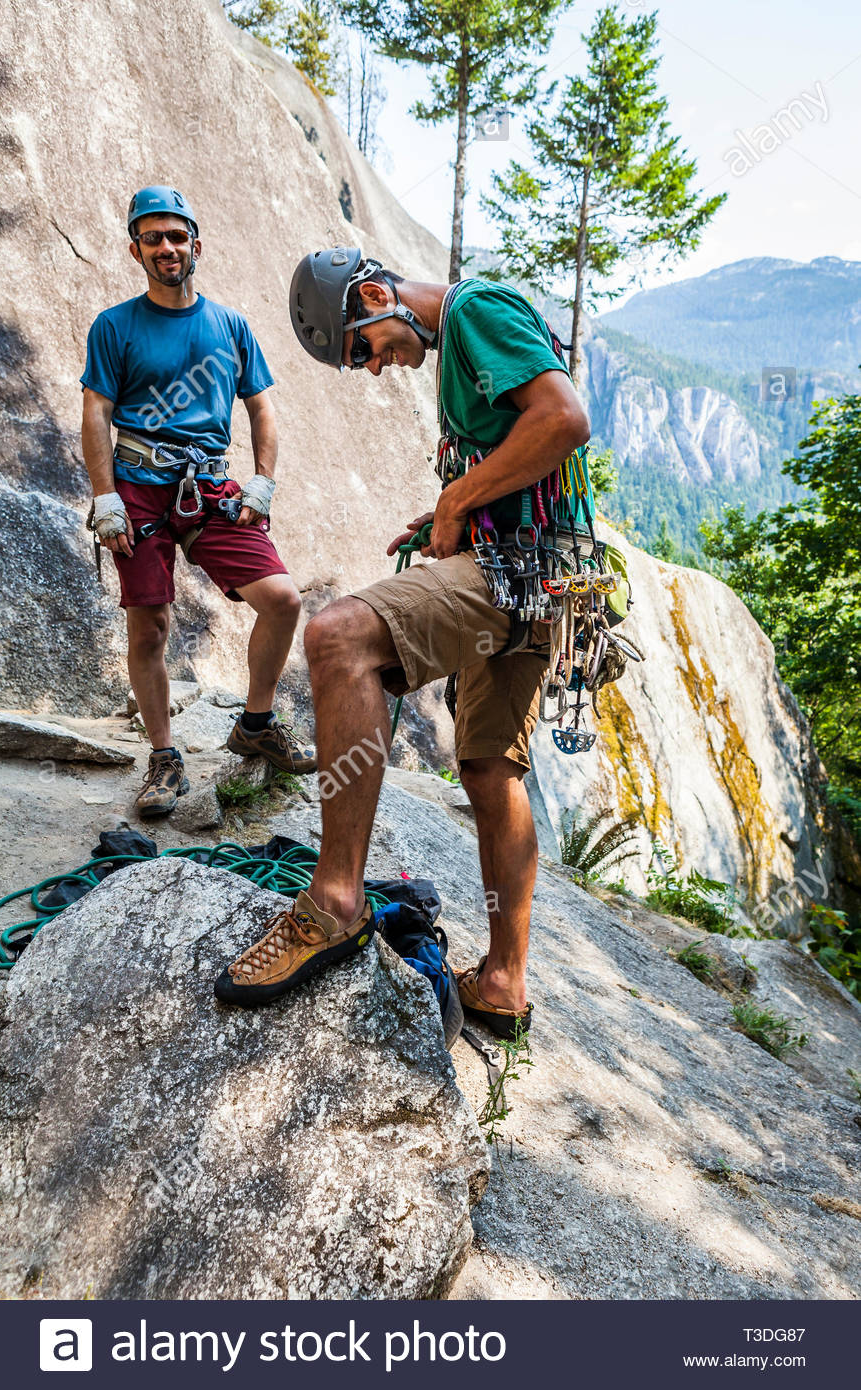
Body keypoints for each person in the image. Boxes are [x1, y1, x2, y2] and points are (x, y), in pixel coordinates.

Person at [215, 248, 590, 1038]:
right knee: (490, 769)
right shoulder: (463, 341)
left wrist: (456, 500)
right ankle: (501, 983)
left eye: (366, 347)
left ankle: (335, 902)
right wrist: (442, 520)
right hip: (542, 575)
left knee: (337, 636)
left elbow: (562, 419)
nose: (378, 367)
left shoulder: (473, 311)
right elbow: (518, 449)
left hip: (508, 570)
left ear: (377, 293)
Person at [80, 186, 316, 816]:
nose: (166, 248)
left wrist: (261, 484)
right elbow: (96, 413)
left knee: (283, 600)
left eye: (176, 236)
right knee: (151, 626)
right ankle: (163, 758)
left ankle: (256, 723)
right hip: (139, 485)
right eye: (153, 238)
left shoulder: (231, 326)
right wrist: (105, 499)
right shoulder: (114, 326)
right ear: (136, 250)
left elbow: (262, 406)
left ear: (196, 246)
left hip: (210, 487)